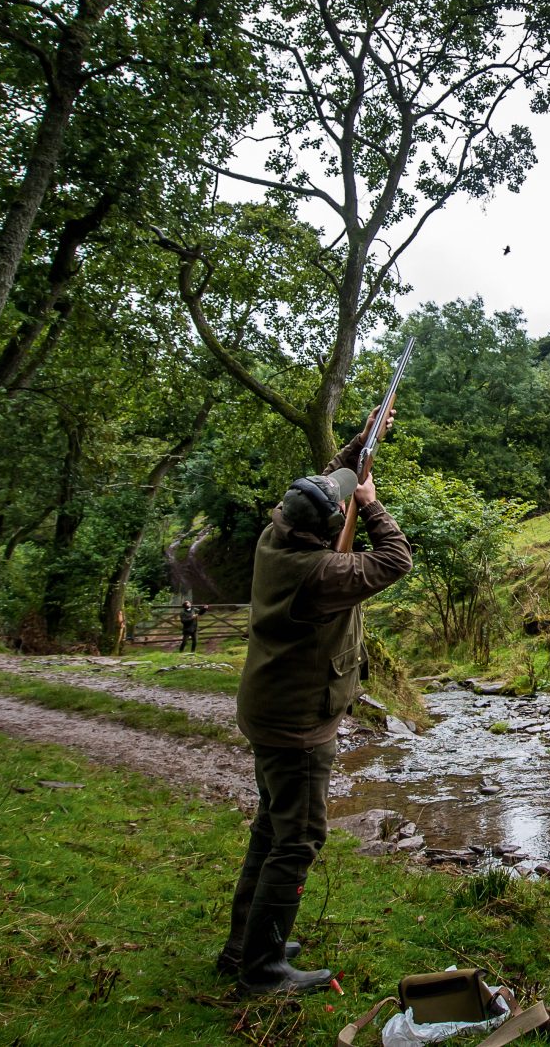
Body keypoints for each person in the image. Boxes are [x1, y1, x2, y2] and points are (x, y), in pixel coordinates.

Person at [218, 409, 411, 995]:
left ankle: (245, 946)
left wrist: (364, 442)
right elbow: (396, 560)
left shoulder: (275, 537)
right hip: (299, 721)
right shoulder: (320, 573)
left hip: (268, 707)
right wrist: (373, 504)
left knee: (270, 830)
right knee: (297, 838)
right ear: (325, 534)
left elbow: (327, 484)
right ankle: (263, 970)